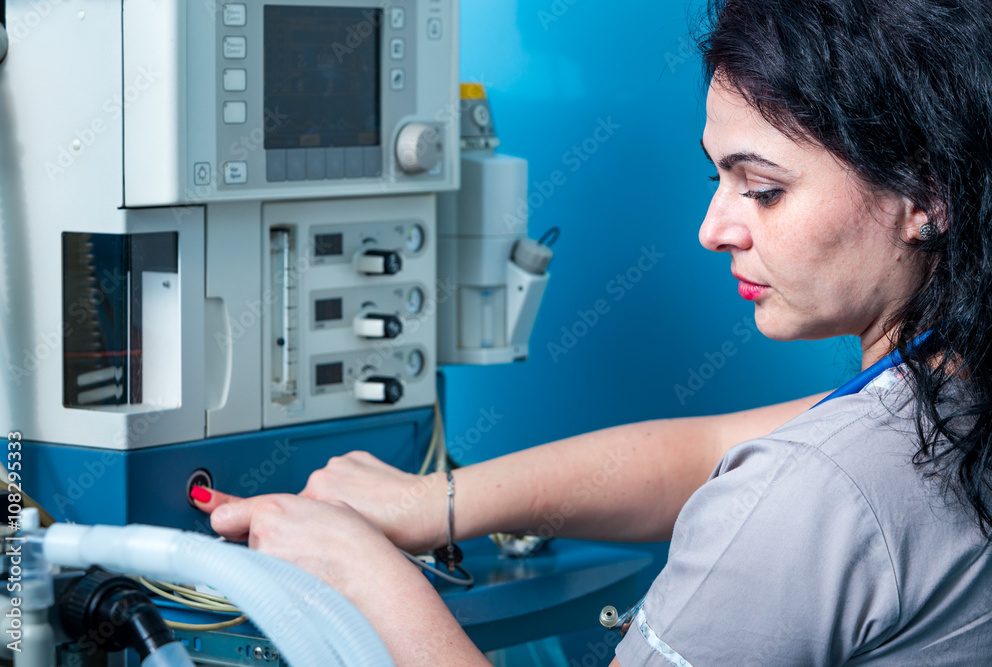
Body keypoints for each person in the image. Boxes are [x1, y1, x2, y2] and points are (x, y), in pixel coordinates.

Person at [197, 0, 992, 663]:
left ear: (926, 195)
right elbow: (703, 453)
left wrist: (367, 576)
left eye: (763, 189)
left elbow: (792, 485)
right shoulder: (950, 396)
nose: (713, 229)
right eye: (717, 177)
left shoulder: (818, 487)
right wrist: (432, 500)